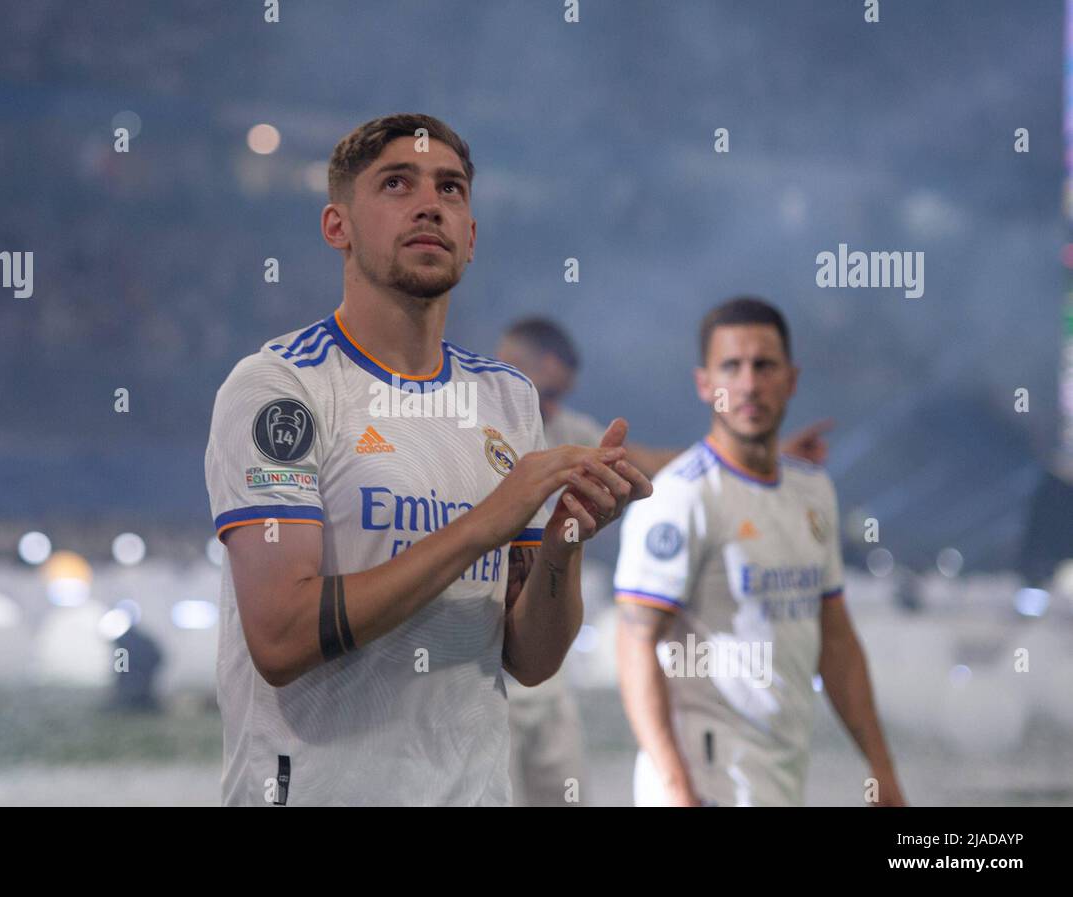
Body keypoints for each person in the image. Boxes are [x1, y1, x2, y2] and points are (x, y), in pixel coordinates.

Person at [203, 113, 651, 806]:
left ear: (470, 236)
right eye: (395, 184)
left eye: (450, 189)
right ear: (337, 226)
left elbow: (529, 661)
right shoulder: (280, 389)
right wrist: (488, 520)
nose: (429, 204)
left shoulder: (507, 401)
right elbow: (282, 635)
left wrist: (562, 546)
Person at [495, 317, 831, 806]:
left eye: (557, 397)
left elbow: (653, 462)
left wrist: (767, 452)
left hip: (547, 669)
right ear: (512, 366)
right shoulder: (477, 432)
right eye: (542, 393)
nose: (548, 407)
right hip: (488, 668)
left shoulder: (569, 429)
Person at [613, 296, 905, 807]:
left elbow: (835, 638)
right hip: (703, 779)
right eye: (732, 366)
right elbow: (635, 643)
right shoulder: (680, 498)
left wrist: (880, 767)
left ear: (791, 380)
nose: (748, 383)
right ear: (705, 383)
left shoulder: (813, 491)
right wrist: (678, 790)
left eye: (764, 365)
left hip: (780, 774)